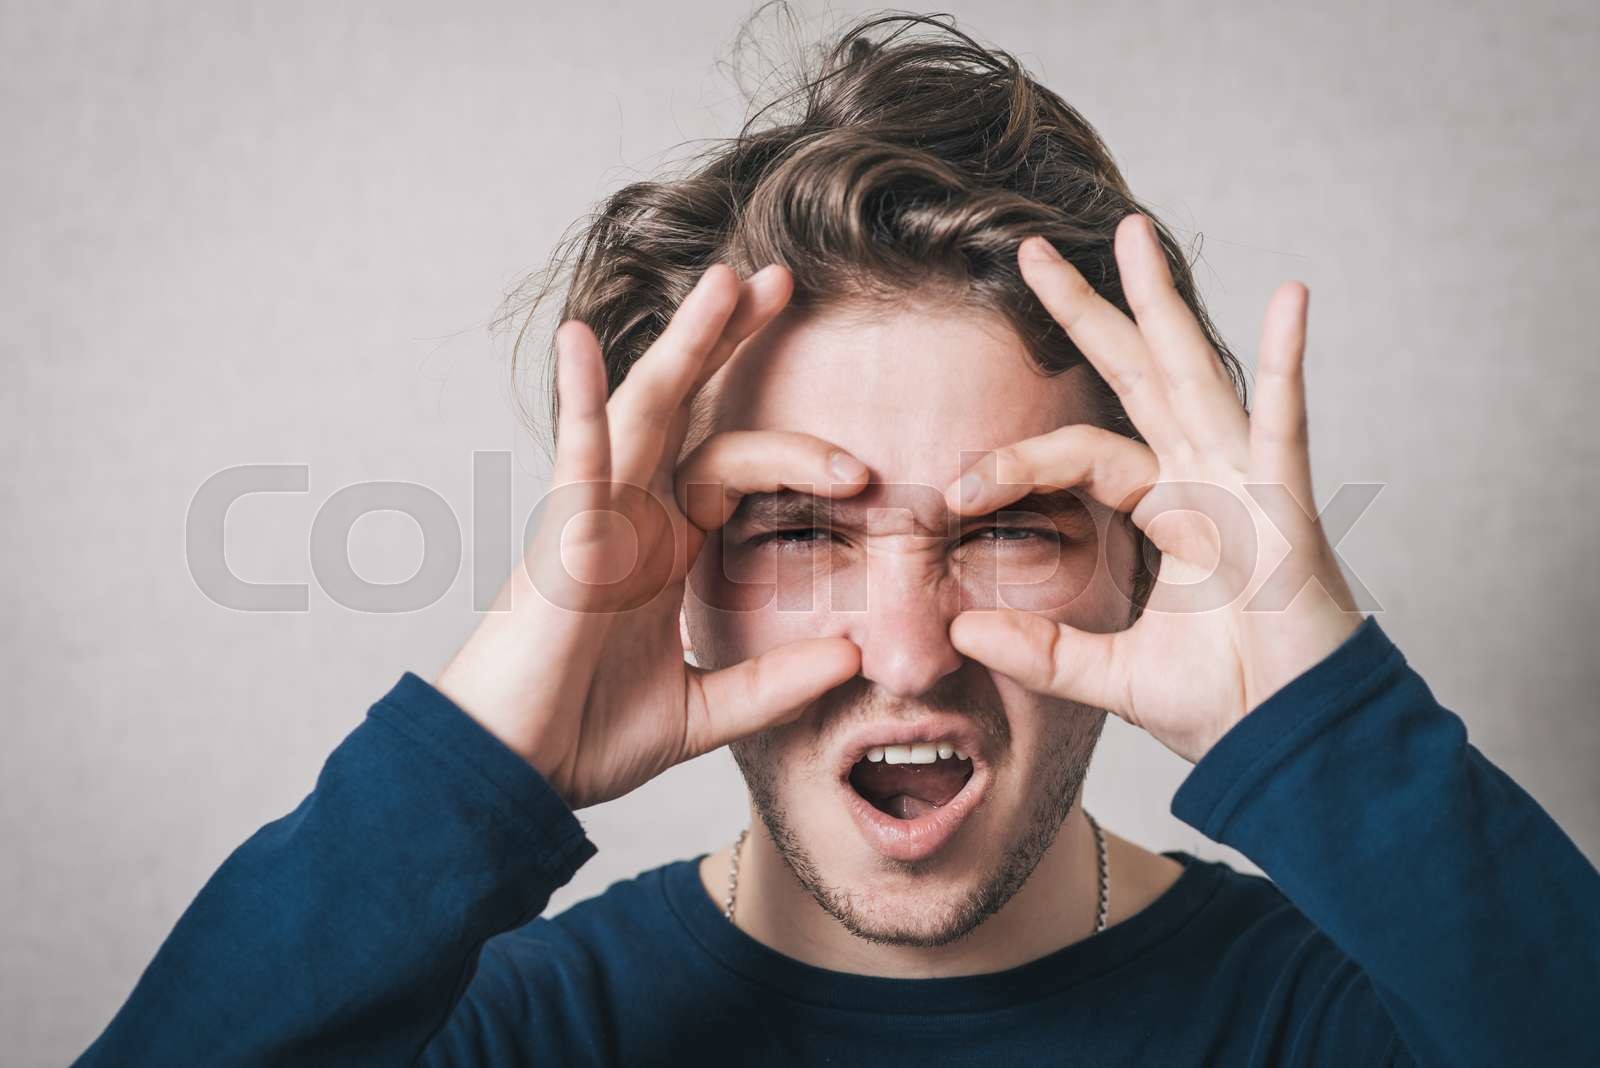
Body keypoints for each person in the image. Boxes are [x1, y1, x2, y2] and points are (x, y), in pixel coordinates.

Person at [76, 12, 1598, 1067]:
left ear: (1142, 561)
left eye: (1008, 526)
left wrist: (1330, 735)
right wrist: (480, 761)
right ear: (668, 585)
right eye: (794, 530)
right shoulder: (509, 1032)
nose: (911, 648)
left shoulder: (1367, 1016)